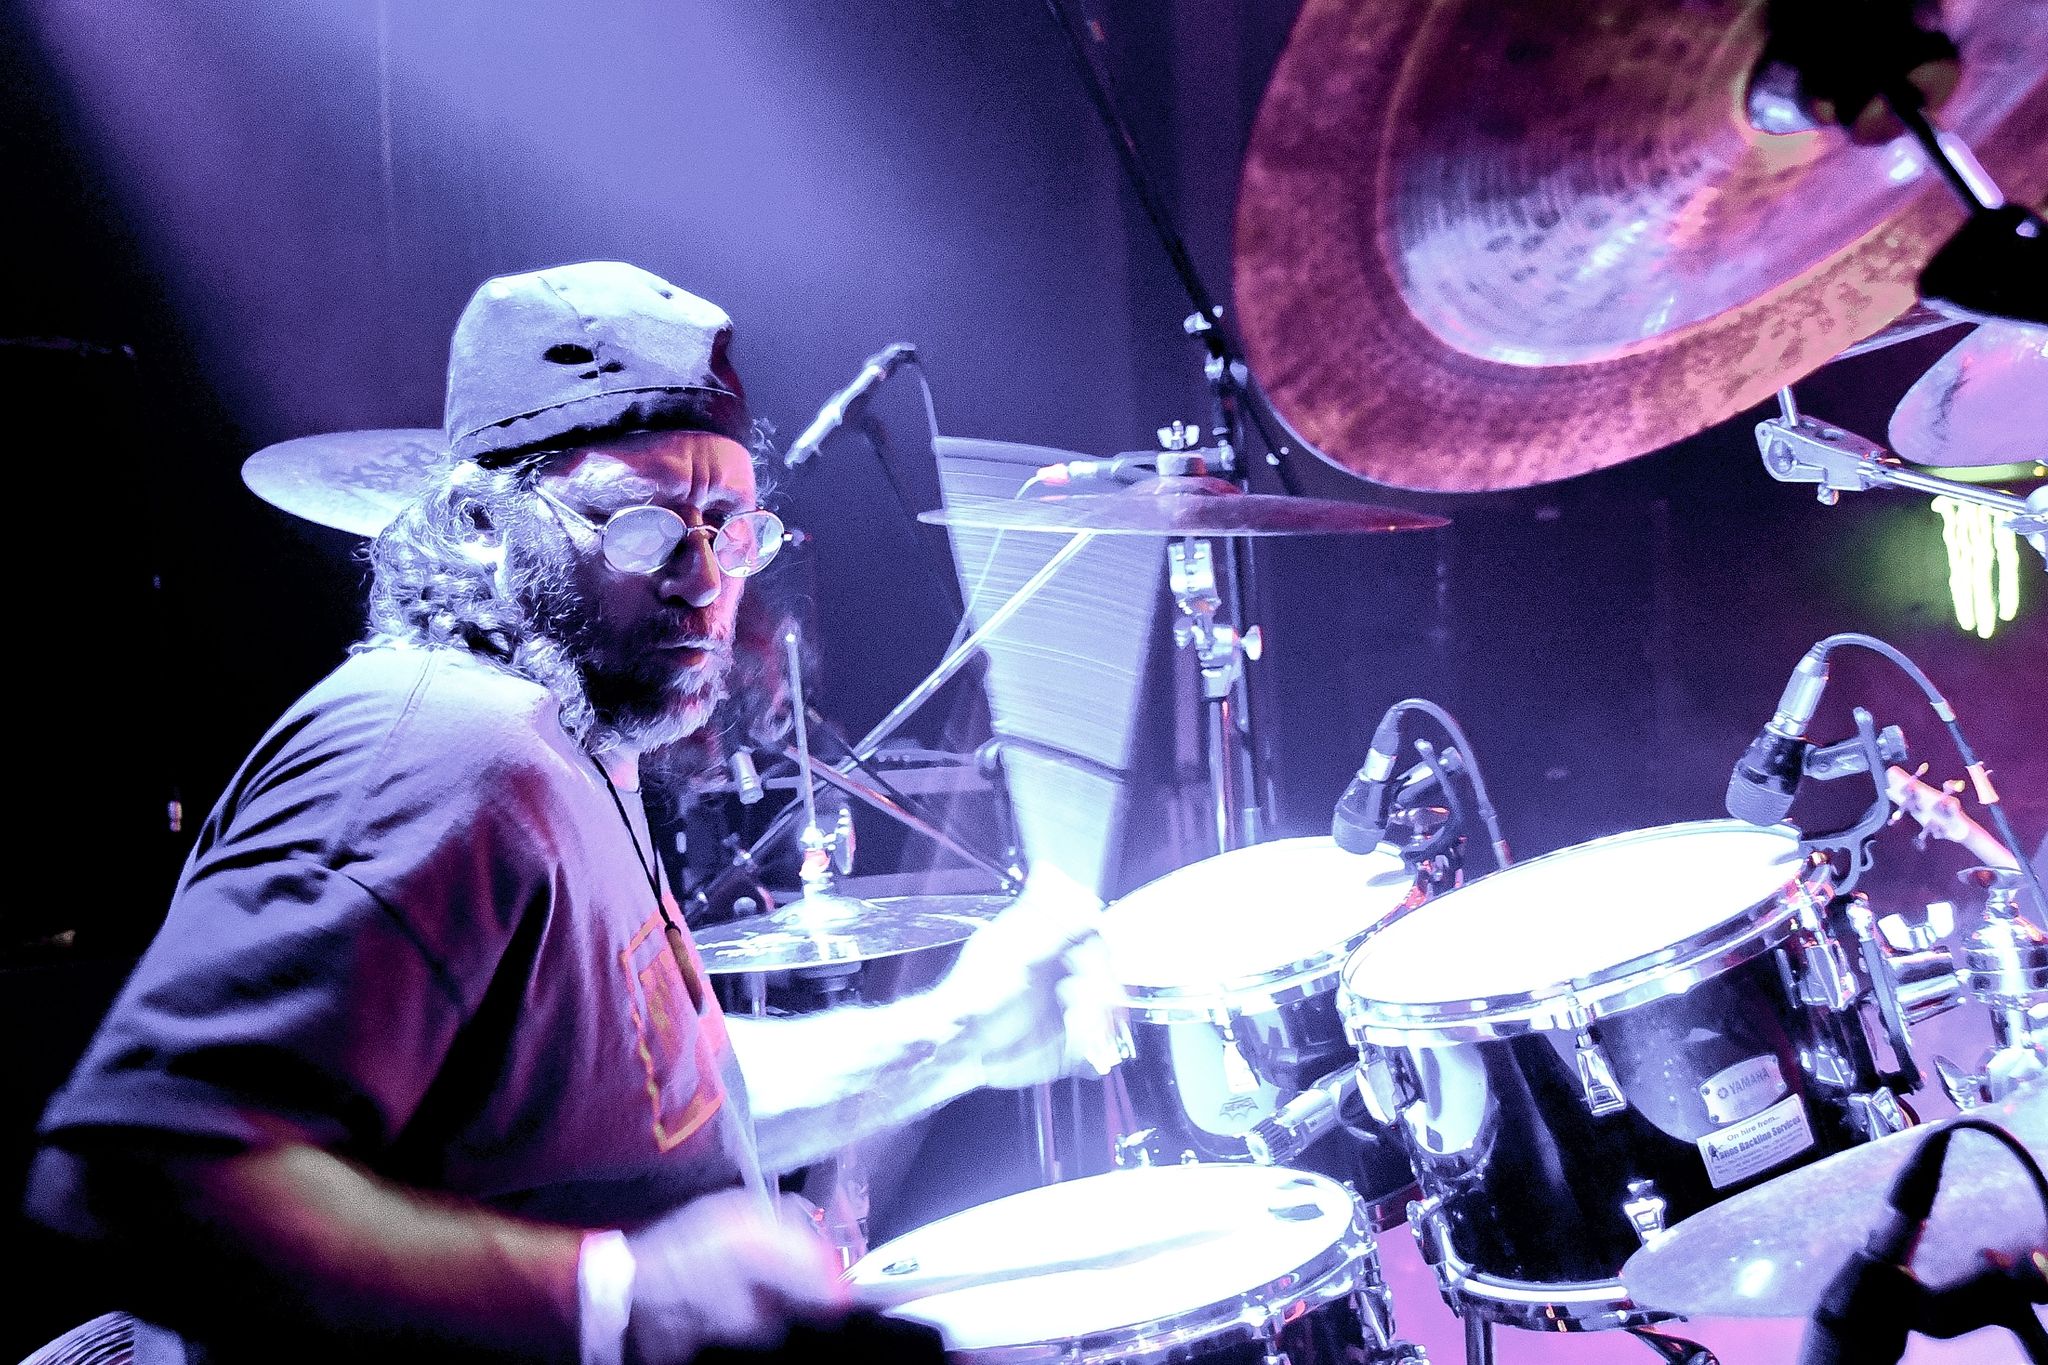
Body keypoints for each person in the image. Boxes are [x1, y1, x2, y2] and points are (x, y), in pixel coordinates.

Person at [26, 261, 1113, 1365]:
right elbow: (140, 1168)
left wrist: (955, 1033)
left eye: (728, 525)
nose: (702, 579)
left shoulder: (579, 742)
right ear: (480, 526)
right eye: (640, 526)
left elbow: (647, 1101)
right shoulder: (439, 745)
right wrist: (630, 1299)